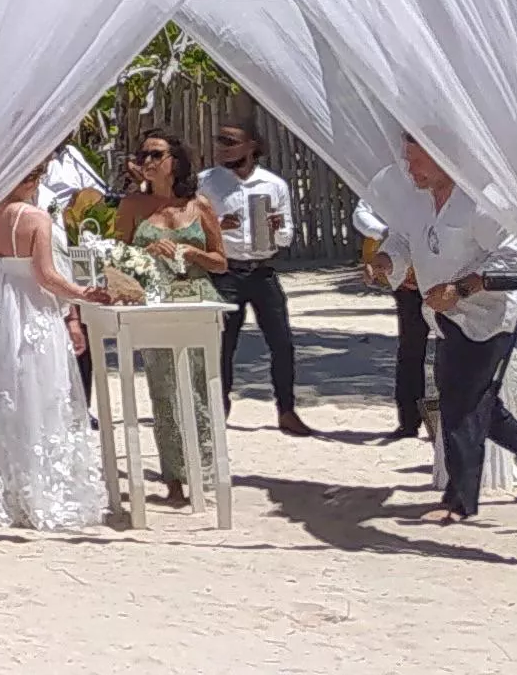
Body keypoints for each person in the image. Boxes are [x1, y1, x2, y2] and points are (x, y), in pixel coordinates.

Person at [375, 132, 517, 527]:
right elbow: (400, 241)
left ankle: (459, 501)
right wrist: (383, 262)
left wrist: (460, 288)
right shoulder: (415, 201)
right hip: (442, 317)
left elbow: (511, 261)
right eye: (408, 160)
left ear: (445, 159)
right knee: (480, 407)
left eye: (418, 161)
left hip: (488, 319)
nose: (411, 170)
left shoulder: (483, 203)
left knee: (459, 407)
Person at [0, 169, 112, 531]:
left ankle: (10, 493)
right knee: (41, 393)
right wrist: (82, 294)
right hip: (32, 311)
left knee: (4, 397)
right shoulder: (34, 218)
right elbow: (45, 275)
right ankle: (43, 490)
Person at [192, 114, 320, 436]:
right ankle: (219, 405)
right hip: (226, 271)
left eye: (230, 141)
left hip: (262, 270)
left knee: (282, 343)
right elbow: (190, 229)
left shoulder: (273, 185)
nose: (221, 147)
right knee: (223, 344)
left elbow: (288, 235)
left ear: (252, 146)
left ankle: (286, 409)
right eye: (219, 140)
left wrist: (277, 230)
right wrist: (219, 229)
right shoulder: (206, 182)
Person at [114, 130, 220, 507]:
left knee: (200, 390)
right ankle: (173, 478)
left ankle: (205, 473)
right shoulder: (132, 206)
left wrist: (191, 252)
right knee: (164, 392)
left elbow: (221, 262)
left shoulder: (198, 206)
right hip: (155, 302)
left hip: (198, 300)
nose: (147, 161)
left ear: (175, 160)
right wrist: (146, 256)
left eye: (155, 154)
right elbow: (115, 258)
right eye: (142, 155)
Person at [351, 197, 427, 444]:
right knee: (411, 351)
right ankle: (409, 421)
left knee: (455, 352)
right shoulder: (385, 181)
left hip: (447, 280)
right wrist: (385, 234)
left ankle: (450, 420)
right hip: (407, 280)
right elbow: (361, 213)